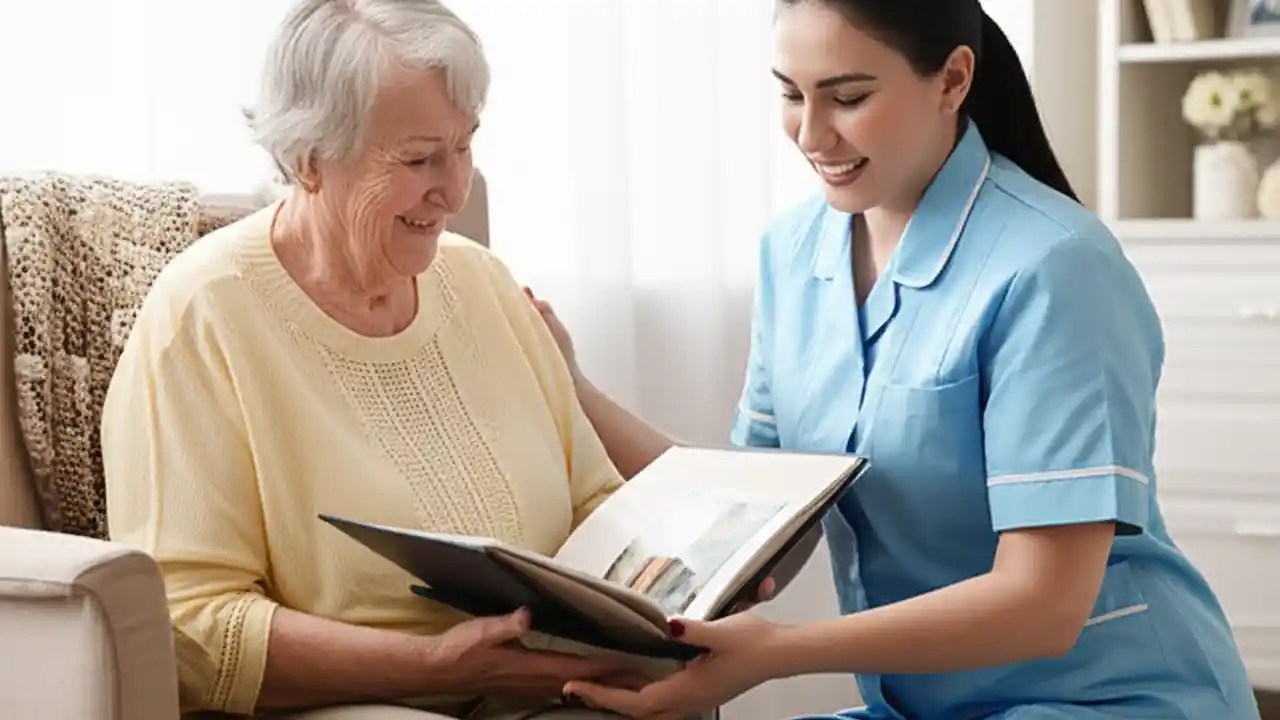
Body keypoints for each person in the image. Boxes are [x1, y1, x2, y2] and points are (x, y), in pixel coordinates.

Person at [531, 1, 1265, 718]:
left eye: (847, 97)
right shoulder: (792, 255)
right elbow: (757, 524)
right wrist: (570, 388)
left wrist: (777, 653)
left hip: (1108, 695)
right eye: (790, 94)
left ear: (952, 80)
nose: (810, 133)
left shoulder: (1054, 267)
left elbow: (1044, 604)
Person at [100, 1, 677, 717]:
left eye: (464, 146)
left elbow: (596, 505)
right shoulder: (203, 317)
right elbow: (191, 626)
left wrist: (680, 585)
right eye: (418, 159)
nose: (456, 190)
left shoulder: (483, 284)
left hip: (555, 693)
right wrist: (434, 664)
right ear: (307, 159)